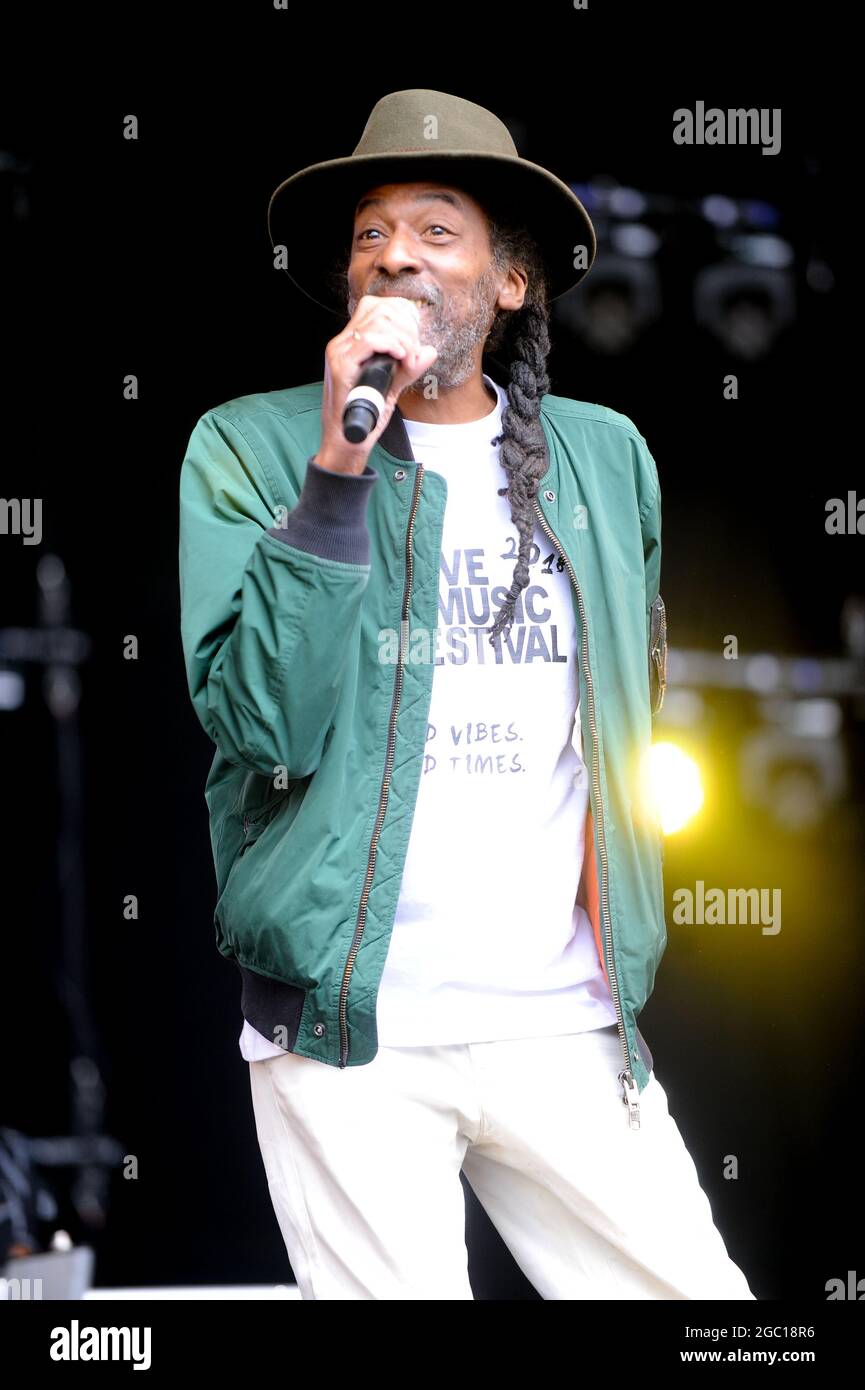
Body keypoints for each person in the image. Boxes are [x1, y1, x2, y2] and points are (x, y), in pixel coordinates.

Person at [178, 88, 756, 1300]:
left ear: (511, 284)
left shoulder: (606, 459)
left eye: (436, 230)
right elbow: (261, 720)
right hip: (350, 1029)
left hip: (563, 1017)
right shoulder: (247, 447)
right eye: (370, 233)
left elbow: (617, 722)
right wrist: (341, 466)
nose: (393, 253)